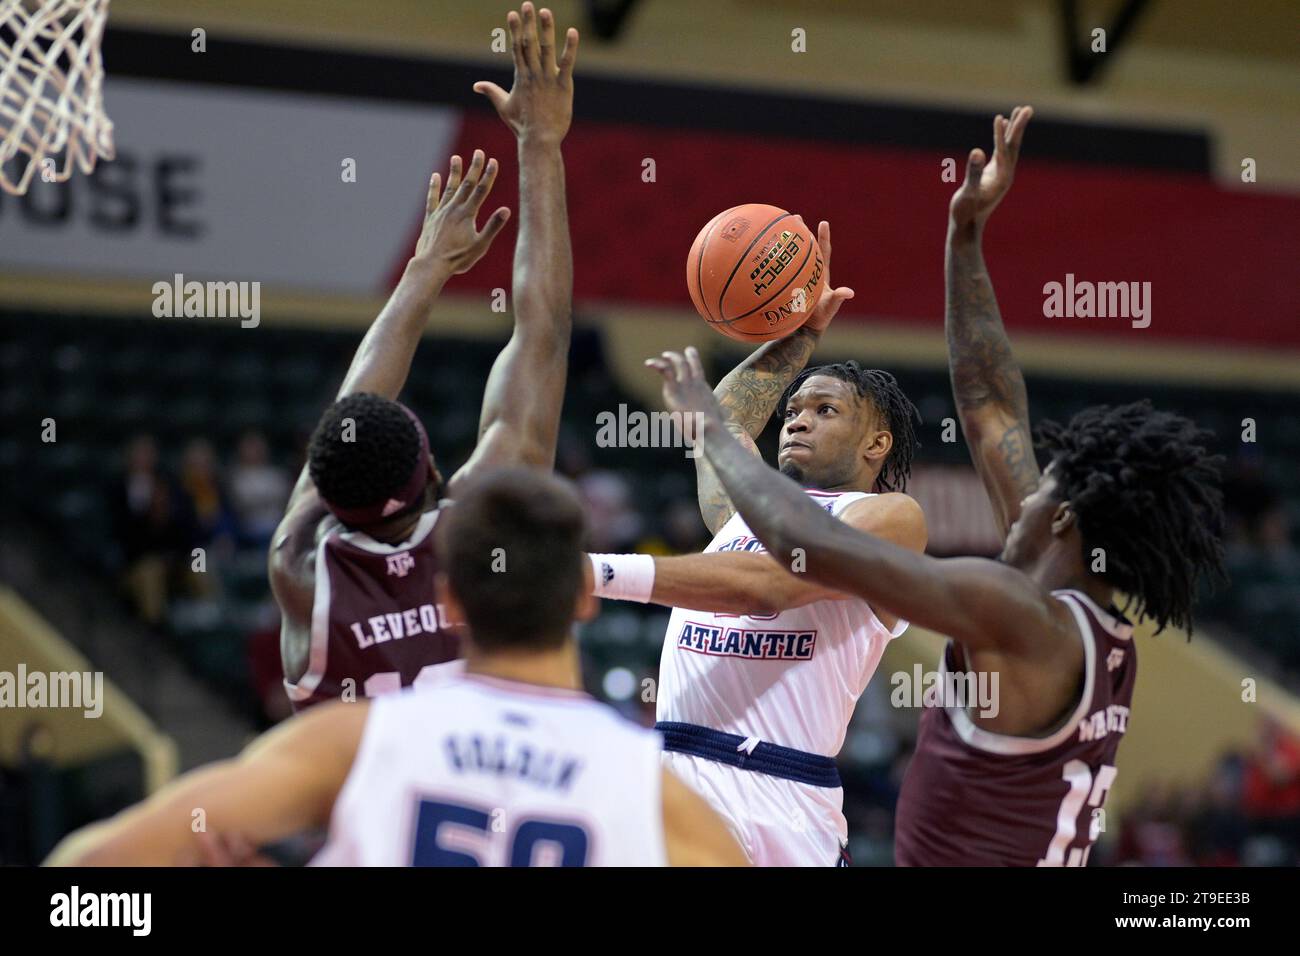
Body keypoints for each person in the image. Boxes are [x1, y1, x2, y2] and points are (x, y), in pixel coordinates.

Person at [647, 106, 1227, 867]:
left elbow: (800, 549)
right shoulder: (1073, 612)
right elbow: (990, 409)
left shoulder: (1012, 611)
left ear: (1068, 521)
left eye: (1047, 484)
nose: (1024, 487)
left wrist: (714, 431)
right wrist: (964, 235)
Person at [46, 469, 747, 867]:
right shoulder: (657, 793)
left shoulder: (355, 743)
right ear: (584, 600)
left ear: (446, 601)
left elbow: (86, 874)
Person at [586, 225, 928, 865]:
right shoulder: (738, 513)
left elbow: (769, 583)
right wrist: (799, 335)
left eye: (826, 411)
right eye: (794, 408)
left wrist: (592, 572)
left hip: (780, 796)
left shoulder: (888, 518)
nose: (796, 418)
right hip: (672, 776)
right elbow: (729, 416)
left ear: (875, 445)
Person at [271, 3, 579, 710]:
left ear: (325, 499)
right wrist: (540, 142)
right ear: (436, 471)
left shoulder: (298, 570)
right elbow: (543, 334)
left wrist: (423, 271)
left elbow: (349, 419)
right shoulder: (486, 533)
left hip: (367, 825)